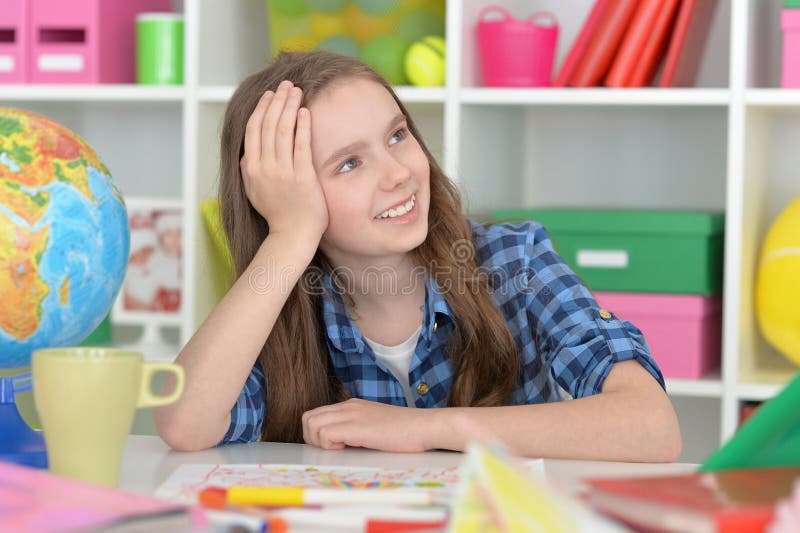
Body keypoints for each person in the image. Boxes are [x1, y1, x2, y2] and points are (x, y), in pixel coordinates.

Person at [154, 51, 681, 461]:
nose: (398, 173)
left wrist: (427, 429)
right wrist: (290, 234)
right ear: (283, 195)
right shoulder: (277, 306)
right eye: (349, 163)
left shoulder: (514, 261)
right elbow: (183, 423)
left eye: (397, 135)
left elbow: (652, 426)